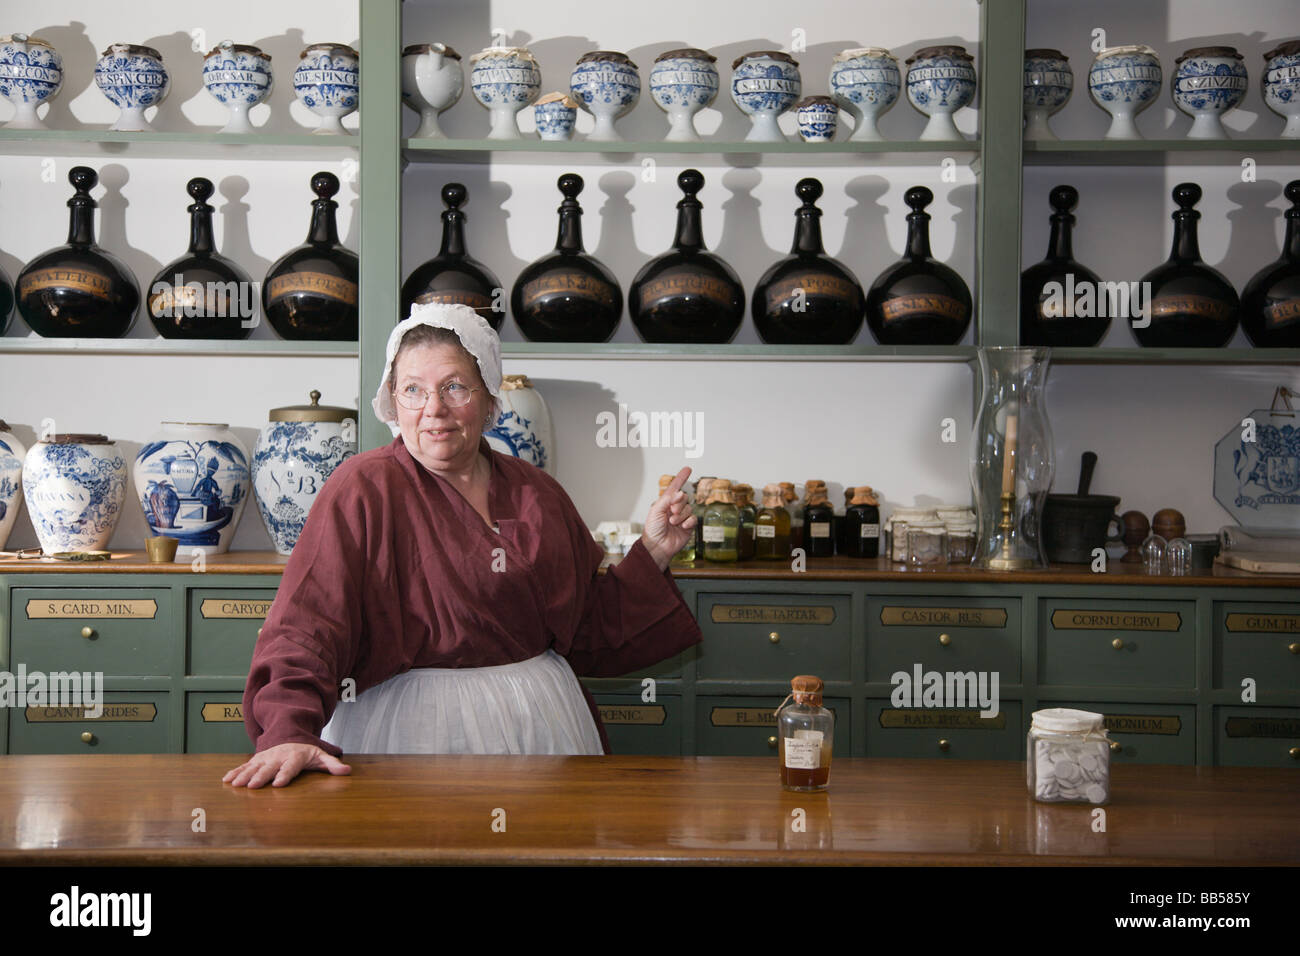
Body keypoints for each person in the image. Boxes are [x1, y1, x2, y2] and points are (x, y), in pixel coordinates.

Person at [224, 303, 702, 788]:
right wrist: (287, 729)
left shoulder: (537, 492)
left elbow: (587, 626)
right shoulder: (363, 488)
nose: (433, 408)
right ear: (393, 401)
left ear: (489, 400)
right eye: (413, 390)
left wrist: (656, 549)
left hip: (543, 730)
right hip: (407, 737)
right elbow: (307, 624)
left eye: (454, 387)